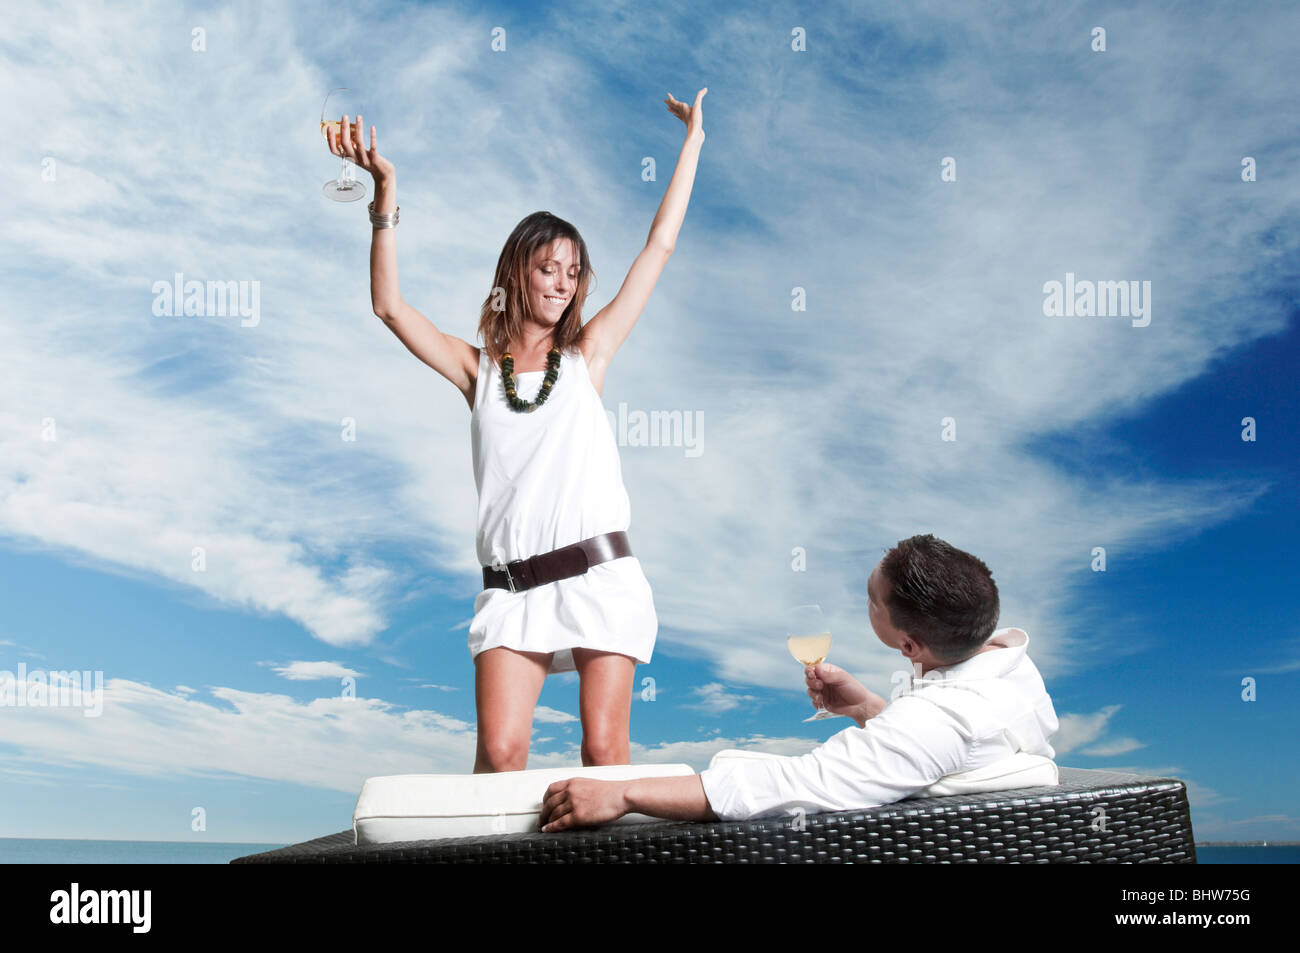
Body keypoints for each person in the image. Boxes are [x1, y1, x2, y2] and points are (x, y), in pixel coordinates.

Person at [328, 89, 708, 773]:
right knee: (500, 758)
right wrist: (385, 192)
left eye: (572, 272)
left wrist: (694, 144)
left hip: (600, 575)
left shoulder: (588, 354)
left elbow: (660, 246)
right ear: (518, 272)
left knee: (602, 753)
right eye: (547, 268)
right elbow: (388, 306)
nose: (562, 283)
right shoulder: (479, 372)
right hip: (511, 590)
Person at [538, 534, 1060, 830]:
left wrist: (624, 793)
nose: (866, 605)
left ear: (908, 646)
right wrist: (869, 707)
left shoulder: (938, 719)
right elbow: (946, 748)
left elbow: (794, 786)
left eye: (871, 601)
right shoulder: (1009, 659)